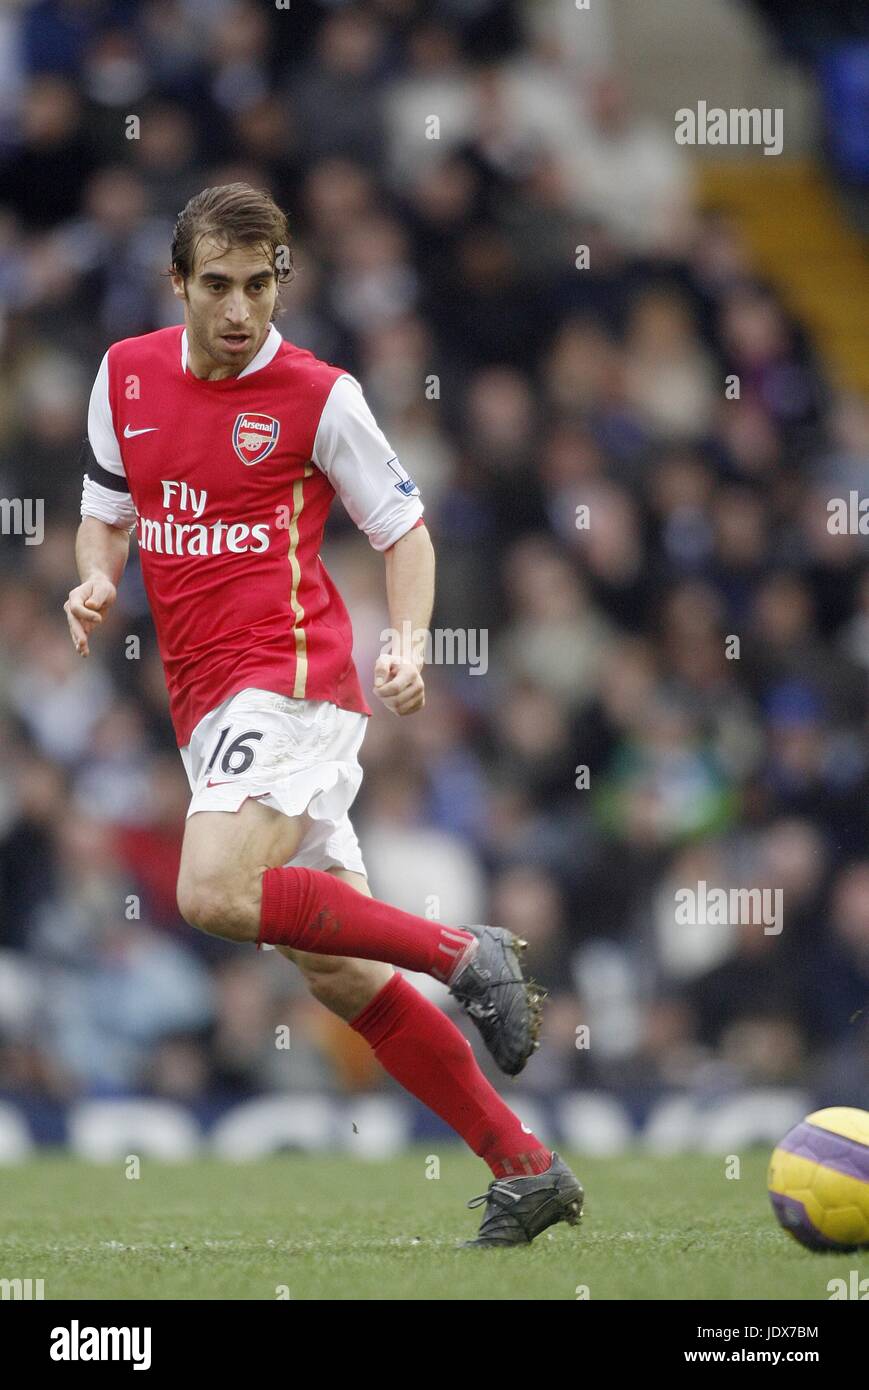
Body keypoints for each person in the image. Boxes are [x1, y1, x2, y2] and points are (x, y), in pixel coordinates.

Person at [64, 182, 583, 1247]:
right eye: (217, 285)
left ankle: (460, 950)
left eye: (260, 285)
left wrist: (406, 640)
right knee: (344, 975)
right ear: (178, 282)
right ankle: (525, 1166)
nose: (240, 310)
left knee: (209, 889)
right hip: (205, 703)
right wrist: (92, 579)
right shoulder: (123, 377)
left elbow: (406, 531)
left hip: (292, 680)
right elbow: (104, 513)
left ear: (280, 281)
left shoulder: (318, 395)